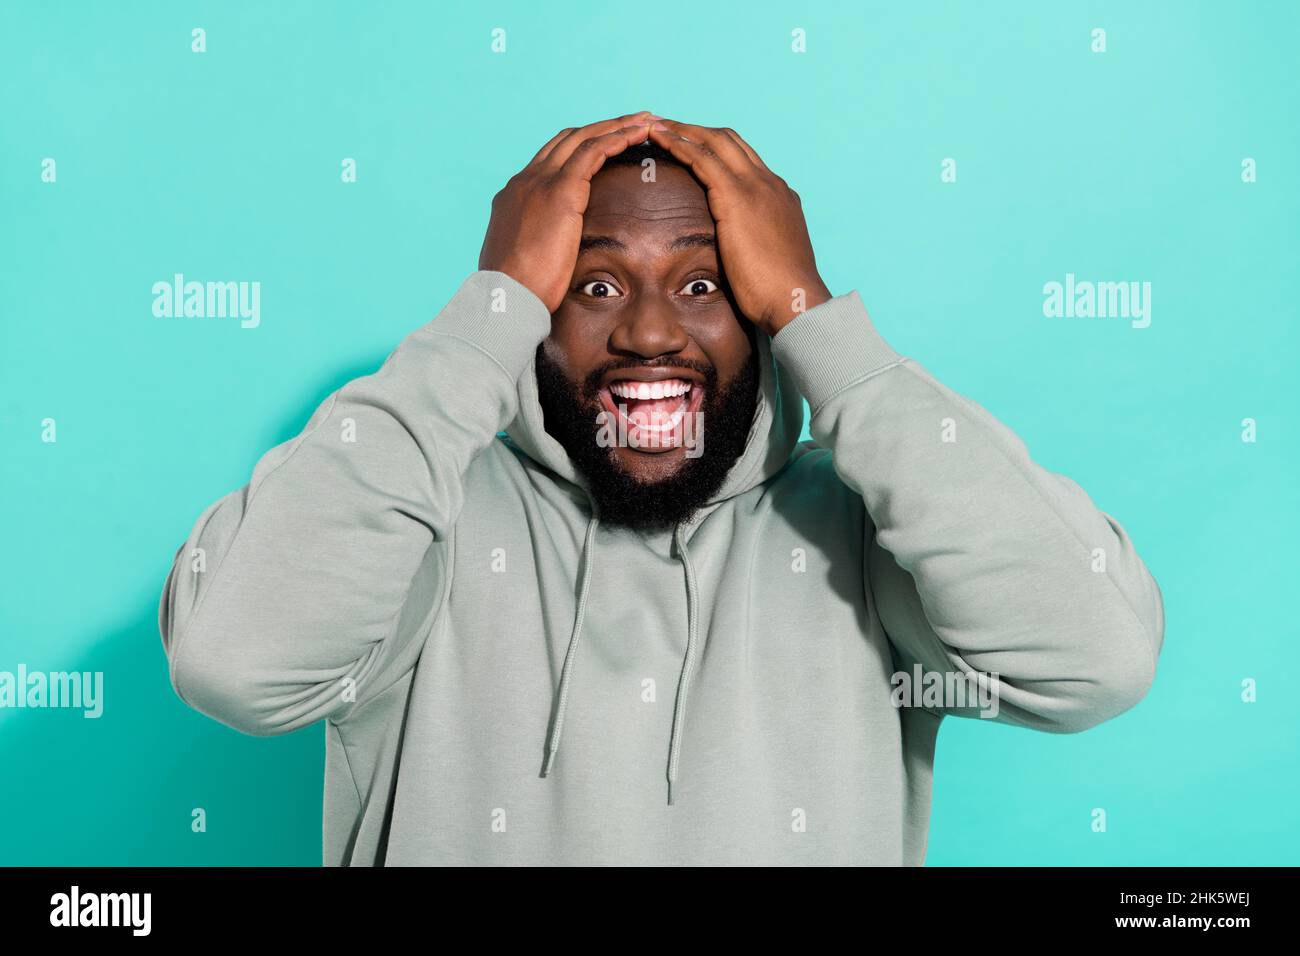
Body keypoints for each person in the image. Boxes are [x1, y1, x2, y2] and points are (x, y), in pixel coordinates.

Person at [159, 111, 1165, 865]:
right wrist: (485, 314)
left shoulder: (860, 536)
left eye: (704, 285)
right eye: (591, 286)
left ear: (766, 320)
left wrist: (826, 326)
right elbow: (233, 664)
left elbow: (1098, 660)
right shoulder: (428, 522)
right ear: (528, 319)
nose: (648, 332)